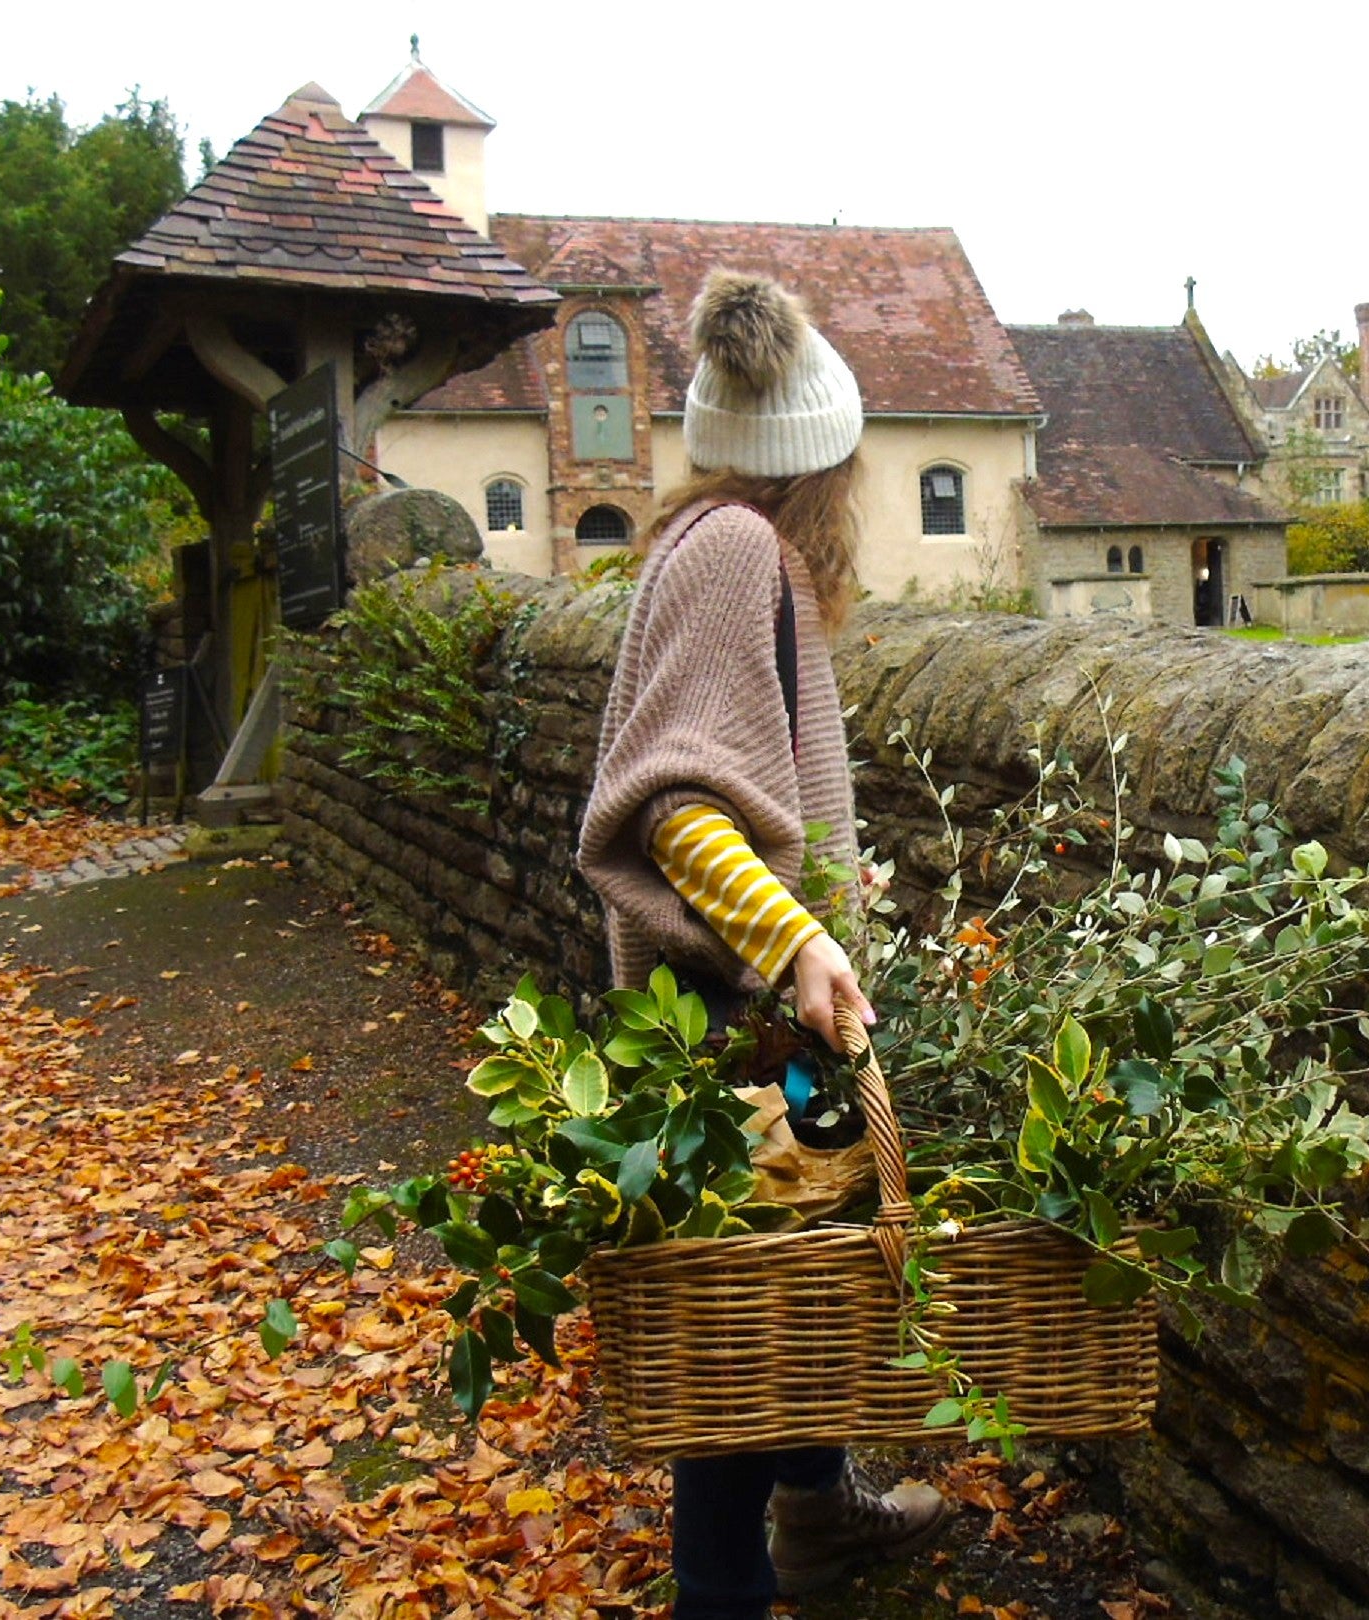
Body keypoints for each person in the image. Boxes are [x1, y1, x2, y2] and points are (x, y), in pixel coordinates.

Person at [576, 271, 952, 1618]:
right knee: (740, 1345)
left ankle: (819, 1515)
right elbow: (676, 808)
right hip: (731, 1022)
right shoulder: (737, 554)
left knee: (798, 1280)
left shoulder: (725, 544)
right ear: (827, 465)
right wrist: (799, 943)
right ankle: (727, 1588)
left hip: (760, 1019)